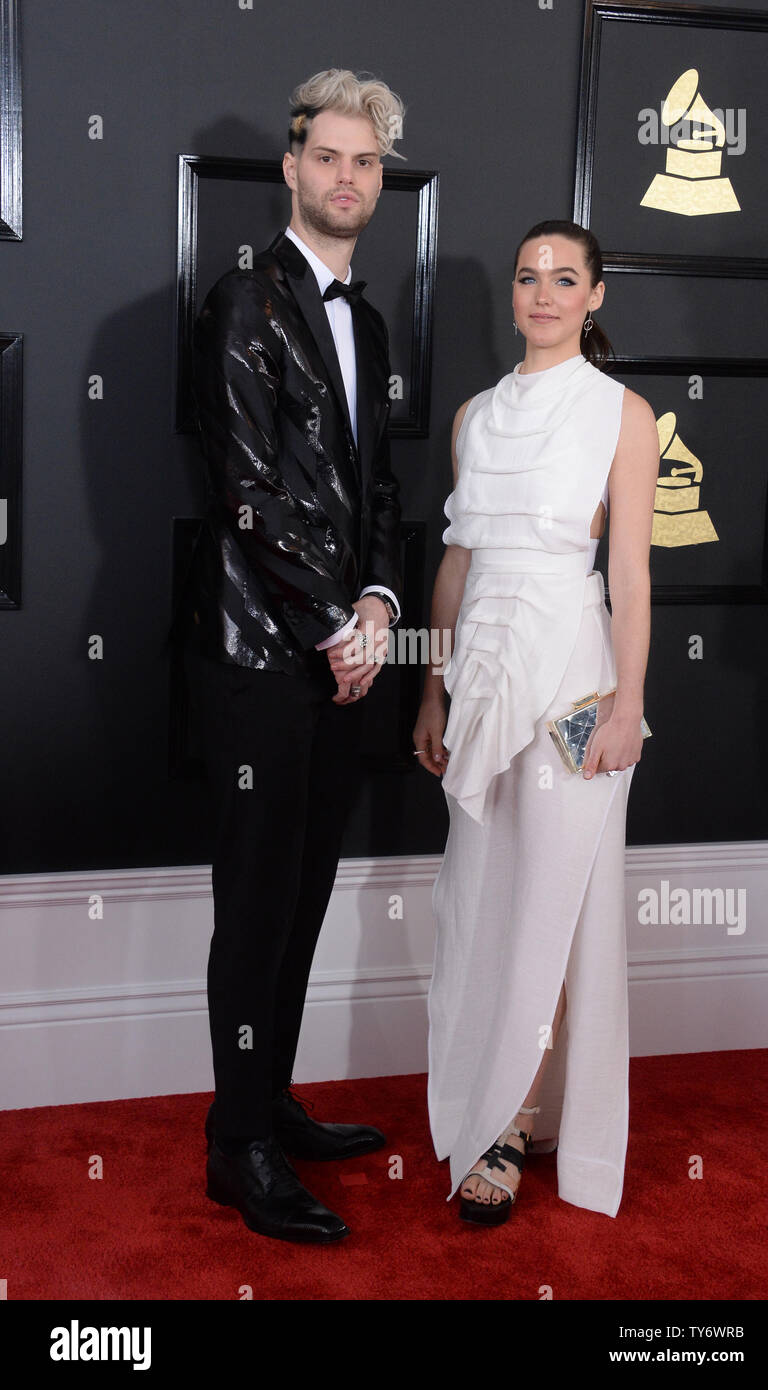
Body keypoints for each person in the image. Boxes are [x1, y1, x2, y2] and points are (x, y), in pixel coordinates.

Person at [174, 69, 405, 1243]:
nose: (346, 178)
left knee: (306, 895)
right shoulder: (240, 302)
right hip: (259, 657)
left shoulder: (365, 316)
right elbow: (247, 492)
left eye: (365, 163)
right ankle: (237, 1145)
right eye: (328, 157)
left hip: (339, 655)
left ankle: (268, 1100)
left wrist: (373, 600)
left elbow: (375, 488)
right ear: (291, 168)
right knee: (255, 903)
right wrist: (329, 626)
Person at [413, 219, 659, 1225]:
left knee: (558, 902)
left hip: (572, 677)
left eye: (564, 279)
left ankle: (513, 1121)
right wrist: (428, 688)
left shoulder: (623, 414)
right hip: (478, 673)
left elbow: (633, 576)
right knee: (481, 901)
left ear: (594, 295)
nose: (543, 294)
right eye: (527, 278)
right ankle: (508, 1105)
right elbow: (455, 565)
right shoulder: (475, 415)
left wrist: (630, 704)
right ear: (511, 294)